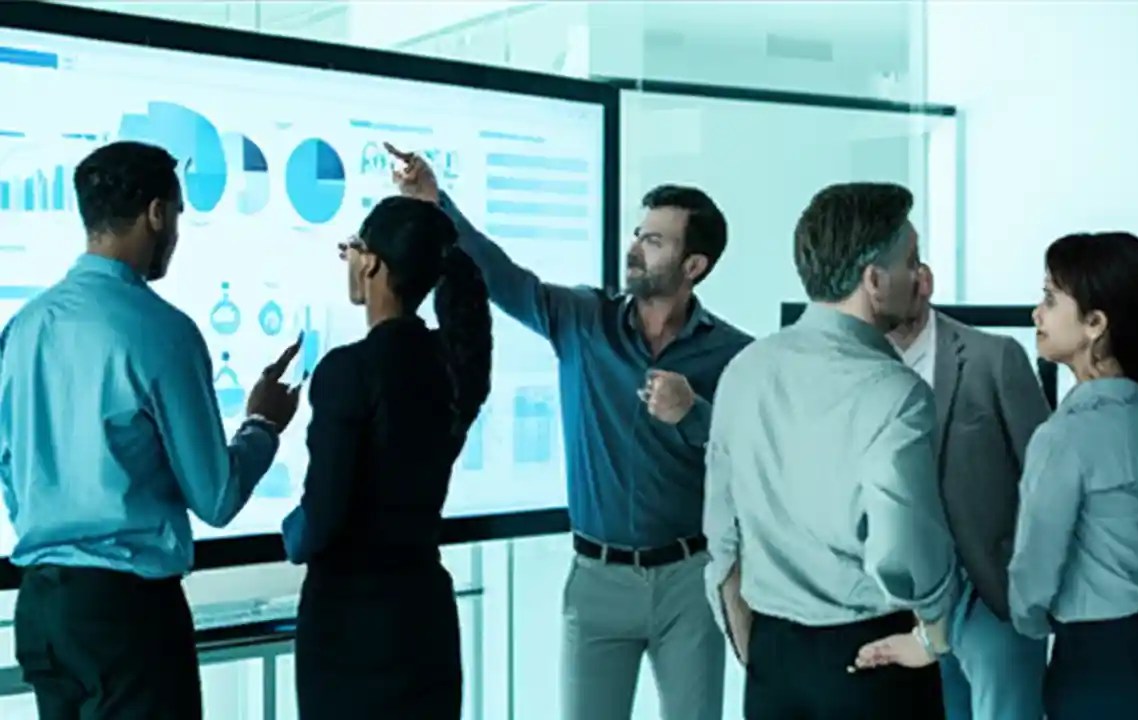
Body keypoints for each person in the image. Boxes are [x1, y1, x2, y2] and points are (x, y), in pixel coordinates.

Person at [386, 144, 751, 720]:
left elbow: (753, 459)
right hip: (597, 583)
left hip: (689, 581)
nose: (634, 247)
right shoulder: (583, 321)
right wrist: (438, 204)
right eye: (637, 232)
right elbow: (501, 277)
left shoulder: (735, 355)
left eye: (654, 240)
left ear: (694, 266)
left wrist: (695, 414)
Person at [0, 141, 302, 719]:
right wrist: (262, 425)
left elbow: (10, 466)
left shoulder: (24, 326)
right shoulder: (162, 331)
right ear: (157, 214)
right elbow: (215, 498)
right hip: (126, 617)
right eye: (180, 215)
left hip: (41, 608)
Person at [706, 182, 955, 719]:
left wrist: (755, 644)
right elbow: (902, 550)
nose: (922, 276)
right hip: (872, 657)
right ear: (873, 279)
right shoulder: (895, 391)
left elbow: (722, 535)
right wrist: (936, 630)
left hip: (772, 656)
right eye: (911, 260)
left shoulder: (745, 369)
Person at [281, 195, 492, 719]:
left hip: (351, 626)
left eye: (351, 247)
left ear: (371, 261)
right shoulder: (454, 365)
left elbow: (322, 517)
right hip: (424, 618)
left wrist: (290, 533)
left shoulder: (347, 371)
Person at [1006, 232, 1138, 719]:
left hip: (1094, 655)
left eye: (1049, 299)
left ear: (1095, 323)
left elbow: (1035, 566)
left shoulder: (1065, 435)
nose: (1036, 315)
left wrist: (1028, 620)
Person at [881, 262, 1051, 720]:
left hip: (990, 595)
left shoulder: (993, 357)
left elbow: (1042, 479)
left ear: (924, 281)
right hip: (897, 601)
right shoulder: (856, 371)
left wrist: (1022, 584)